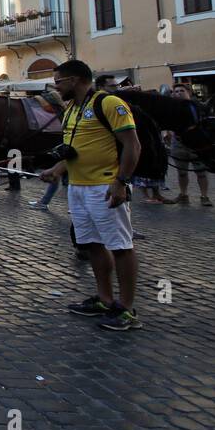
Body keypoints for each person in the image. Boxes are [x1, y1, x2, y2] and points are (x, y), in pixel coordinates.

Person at [41, 59, 143, 331]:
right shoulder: (73, 107)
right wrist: (57, 169)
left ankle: (126, 308)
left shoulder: (109, 104)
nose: (56, 87)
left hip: (105, 186)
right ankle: (105, 298)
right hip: (78, 187)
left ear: (74, 80)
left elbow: (133, 145)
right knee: (92, 245)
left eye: (58, 81)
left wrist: (121, 182)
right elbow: (77, 148)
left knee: (121, 247)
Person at [169, 84, 212, 206]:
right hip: (178, 144)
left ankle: (204, 196)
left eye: (181, 91)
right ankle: (183, 194)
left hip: (197, 144)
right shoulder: (171, 107)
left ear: (189, 92)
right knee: (182, 172)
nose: (178, 93)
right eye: (175, 91)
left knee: (201, 172)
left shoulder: (197, 106)